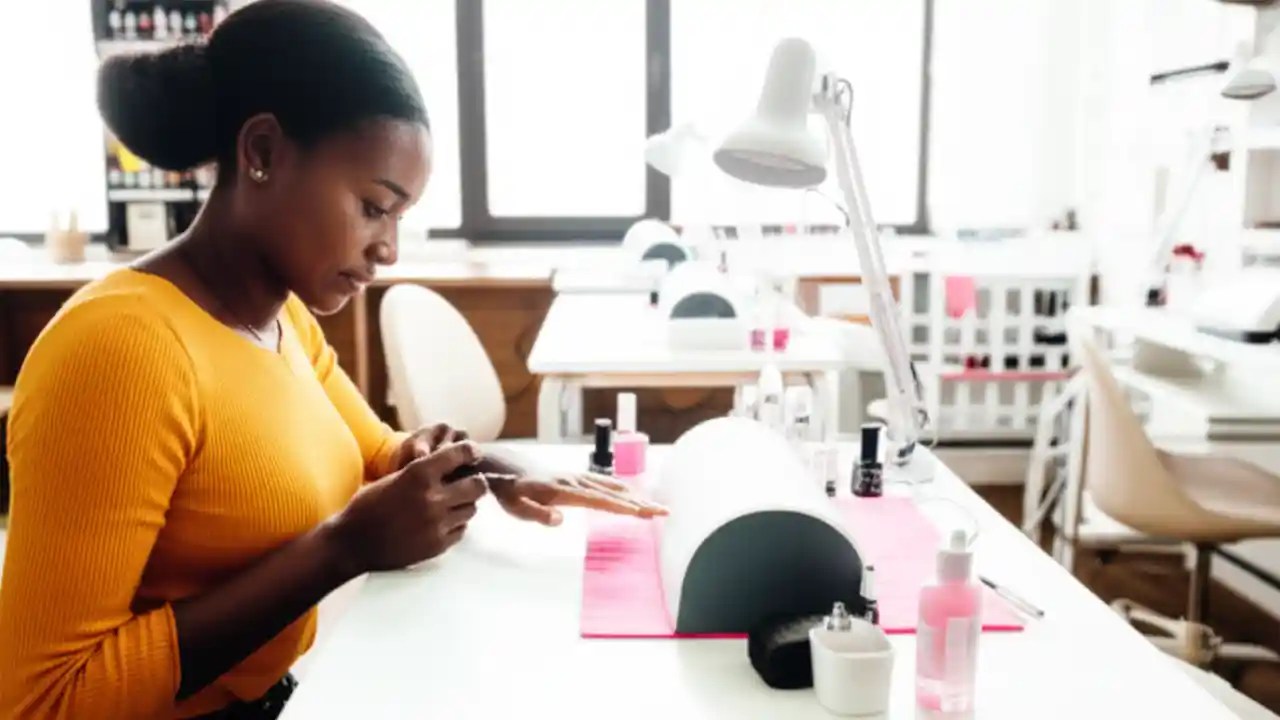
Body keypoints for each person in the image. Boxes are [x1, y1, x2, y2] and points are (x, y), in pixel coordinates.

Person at [0, 2, 665, 718]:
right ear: (260, 152)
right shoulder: (118, 350)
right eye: (374, 206)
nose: (389, 249)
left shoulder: (281, 316)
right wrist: (339, 550)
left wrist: (495, 467)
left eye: (400, 218)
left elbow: (379, 454)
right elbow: (43, 699)